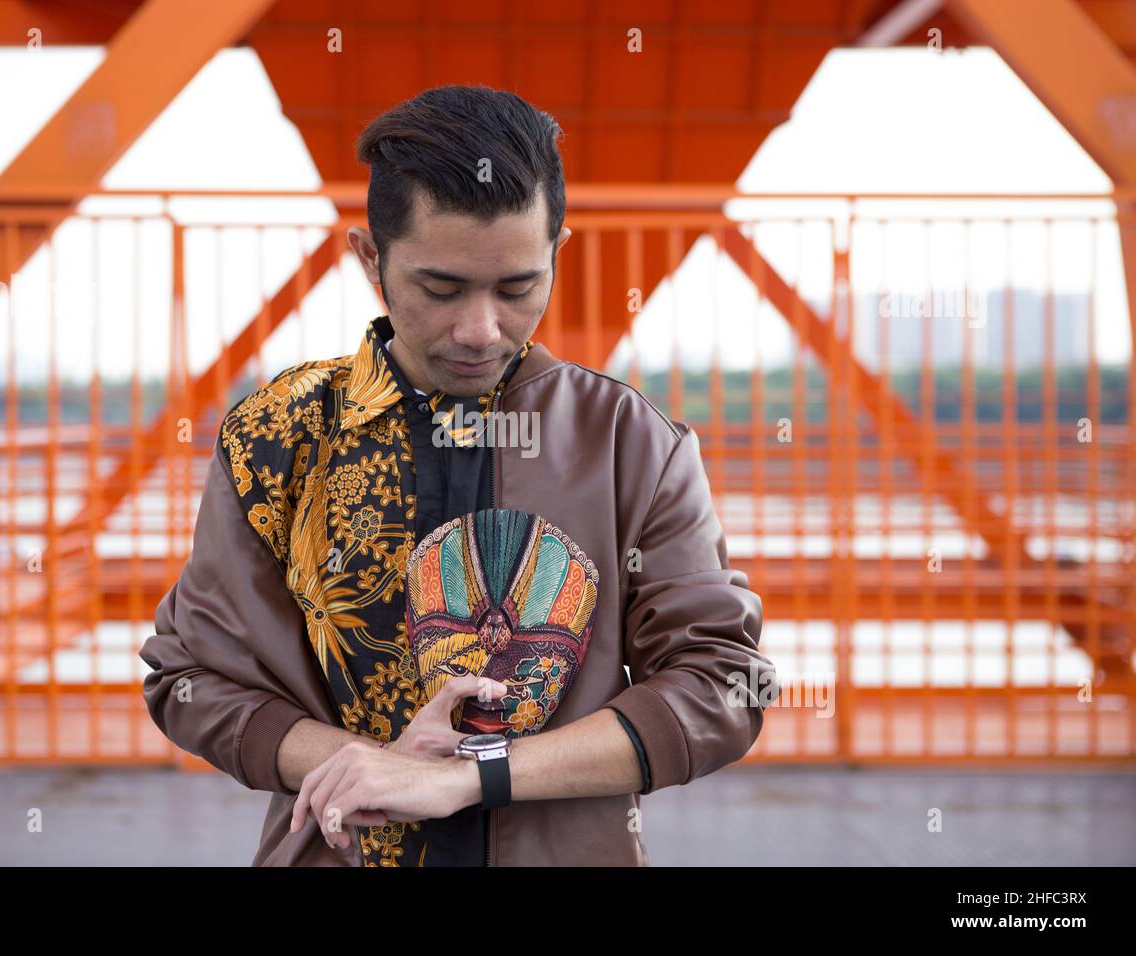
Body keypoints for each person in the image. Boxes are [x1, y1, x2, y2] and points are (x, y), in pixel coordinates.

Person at [139, 84, 773, 867]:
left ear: (556, 253)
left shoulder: (631, 442)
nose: (480, 331)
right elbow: (190, 676)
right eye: (439, 289)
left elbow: (725, 685)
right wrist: (359, 764)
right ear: (369, 257)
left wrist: (472, 776)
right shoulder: (278, 436)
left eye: (517, 288)